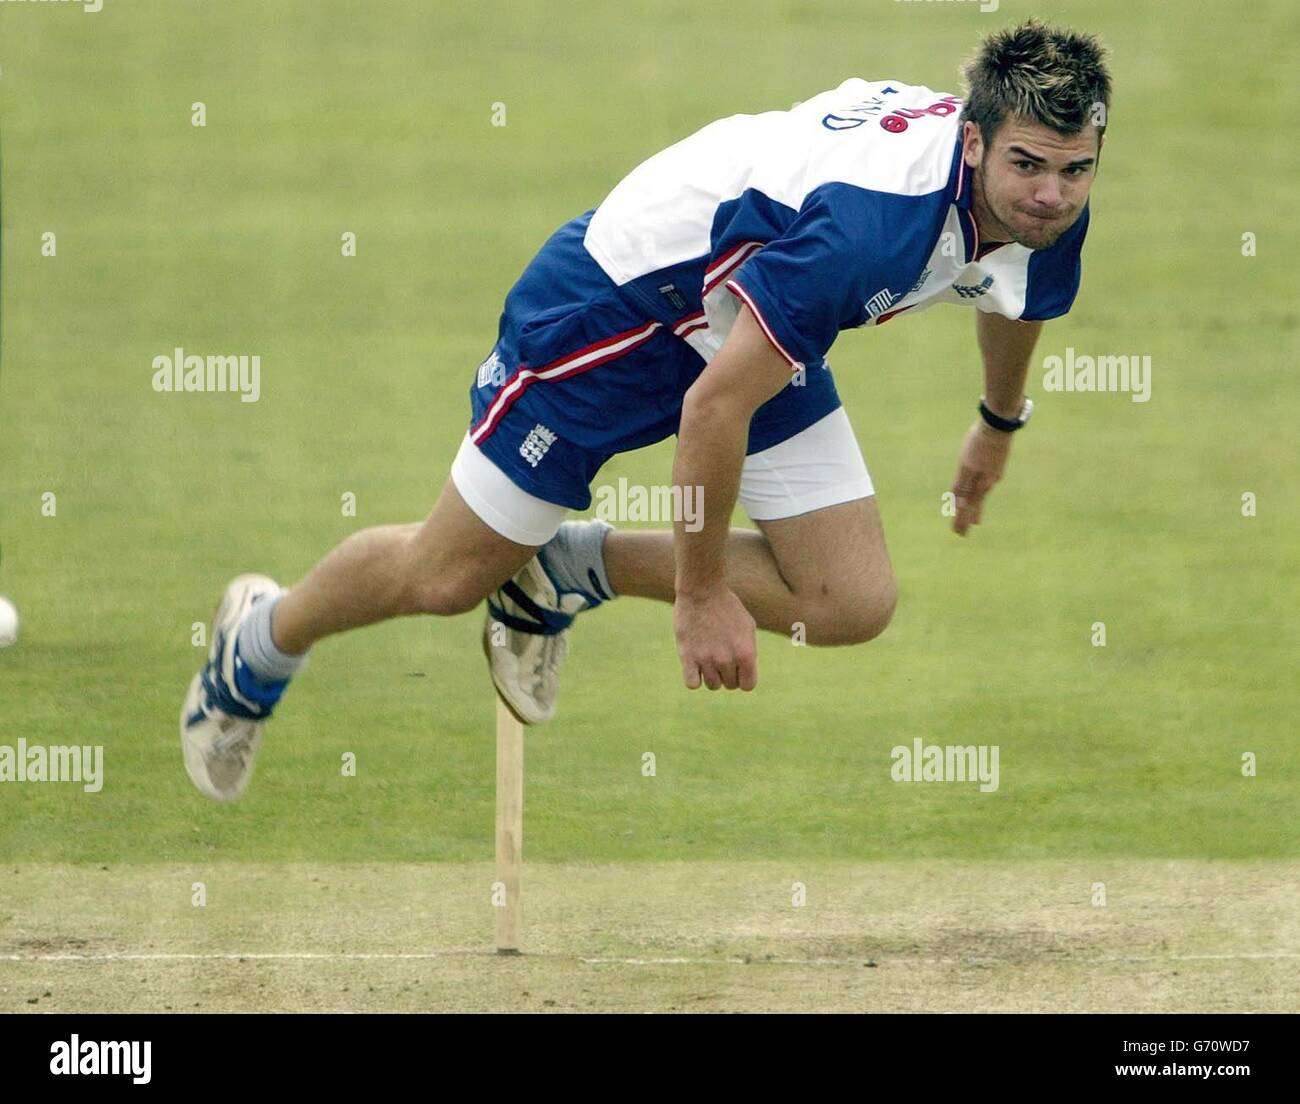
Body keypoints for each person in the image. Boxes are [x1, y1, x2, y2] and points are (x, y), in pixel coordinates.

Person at [180, 20, 1111, 801]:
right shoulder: (872, 230)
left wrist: (997, 422)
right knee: (445, 576)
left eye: (1074, 171)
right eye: (1030, 165)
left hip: (749, 312)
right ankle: (257, 644)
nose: (1050, 193)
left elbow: (1012, 290)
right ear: (976, 140)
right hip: (619, 305)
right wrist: (699, 594)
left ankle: (565, 569)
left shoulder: (1046, 205)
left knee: (849, 601)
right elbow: (713, 410)